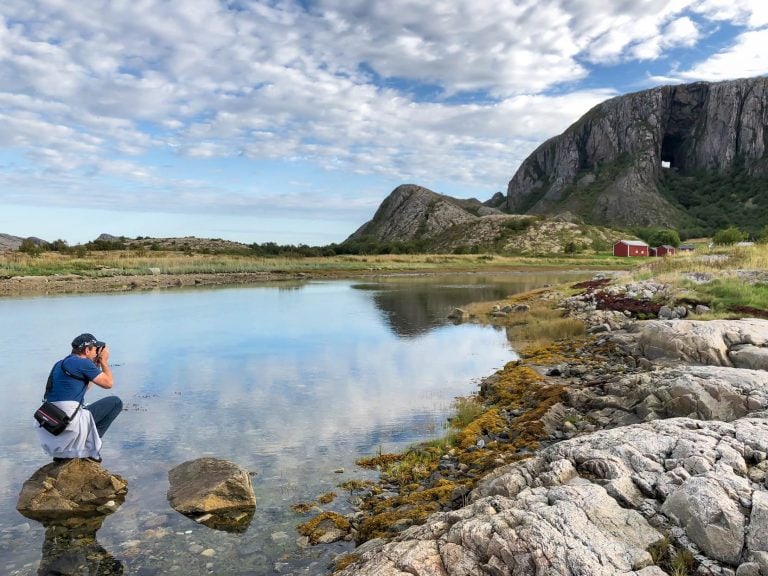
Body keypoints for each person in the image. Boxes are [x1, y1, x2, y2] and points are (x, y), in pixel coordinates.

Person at [36, 333, 123, 463]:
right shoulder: (82, 363)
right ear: (87, 350)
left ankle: (65, 453)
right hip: (68, 423)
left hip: (53, 427)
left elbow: (85, 388)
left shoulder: (60, 364)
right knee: (116, 402)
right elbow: (108, 383)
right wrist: (104, 362)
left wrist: (95, 367)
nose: (96, 353)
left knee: (82, 410)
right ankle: (89, 450)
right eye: (94, 350)